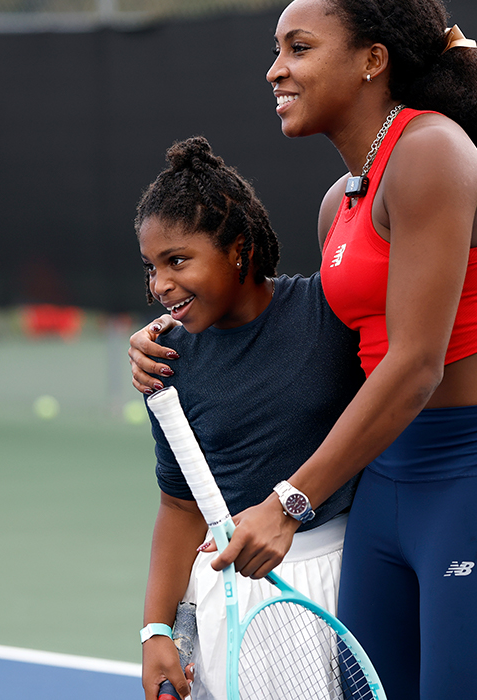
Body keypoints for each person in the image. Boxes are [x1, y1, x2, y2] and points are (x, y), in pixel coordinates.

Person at [138, 0, 477, 699]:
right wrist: (167, 338)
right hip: (389, 484)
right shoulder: (338, 204)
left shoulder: (430, 151)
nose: (275, 69)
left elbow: (415, 366)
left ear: (372, 59)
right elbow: (332, 342)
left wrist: (289, 502)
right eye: (276, 50)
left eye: (299, 47)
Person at [135, 136, 366, 700]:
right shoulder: (165, 361)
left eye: (177, 260)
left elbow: (414, 364)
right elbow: (180, 505)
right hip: (235, 600)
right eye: (151, 267)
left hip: (349, 578)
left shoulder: (327, 313)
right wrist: (156, 629)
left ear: (239, 249)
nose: (160, 284)